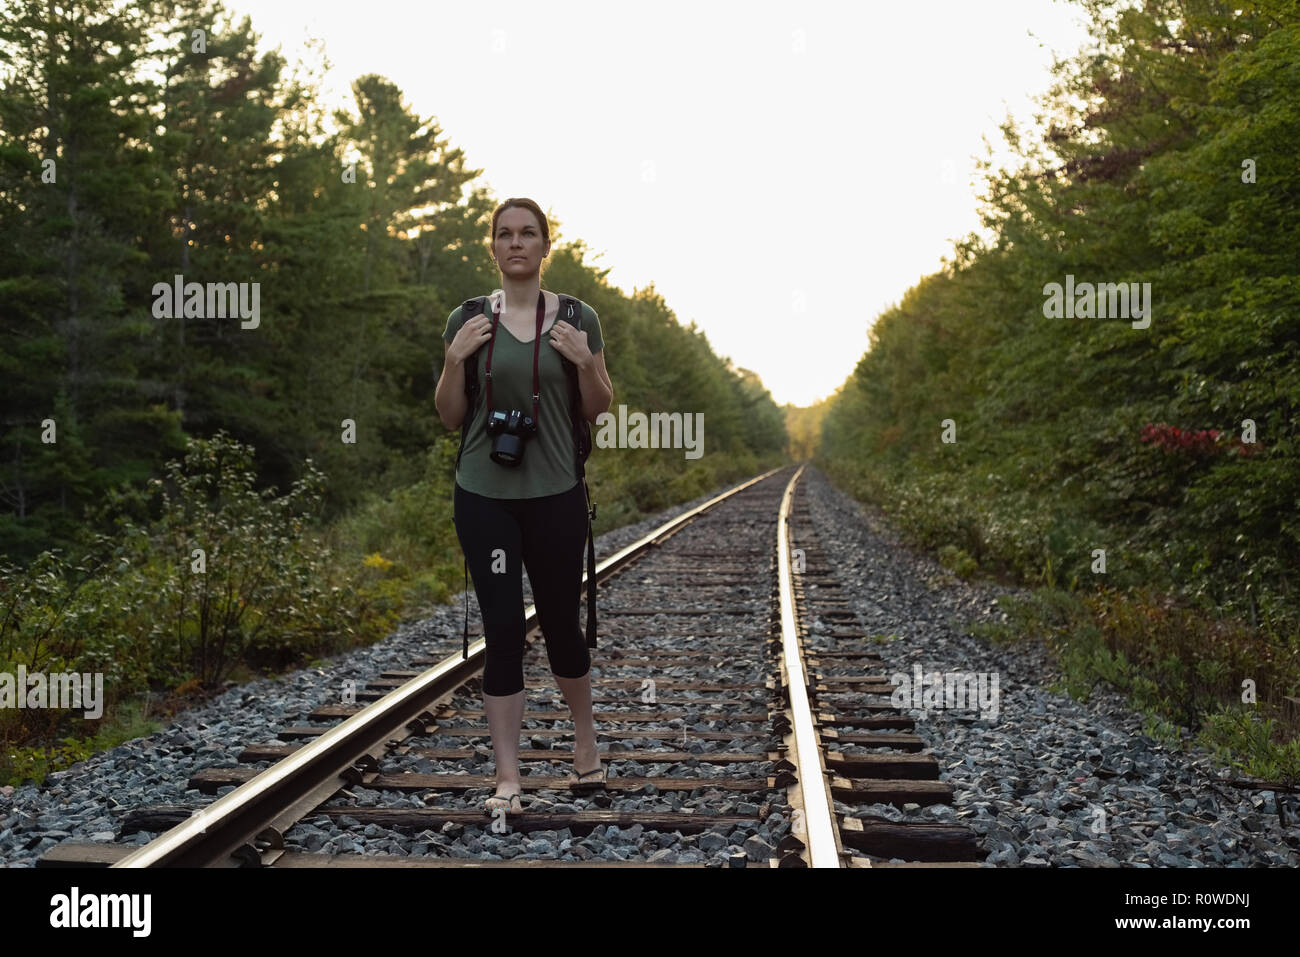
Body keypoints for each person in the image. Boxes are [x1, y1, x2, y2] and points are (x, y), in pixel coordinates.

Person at [434, 198, 615, 815]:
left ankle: (585, 747)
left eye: (528, 234)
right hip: (485, 496)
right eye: (505, 234)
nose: (517, 243)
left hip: (557, 494)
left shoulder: (578, 316)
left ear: (544, 247)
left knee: (562, 625)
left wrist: (583, 359)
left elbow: (598, 407)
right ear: (492, 246)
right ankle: (508, 778)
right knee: (503, 630)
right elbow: (451, 417)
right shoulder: (466, 318)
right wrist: (455, 359)